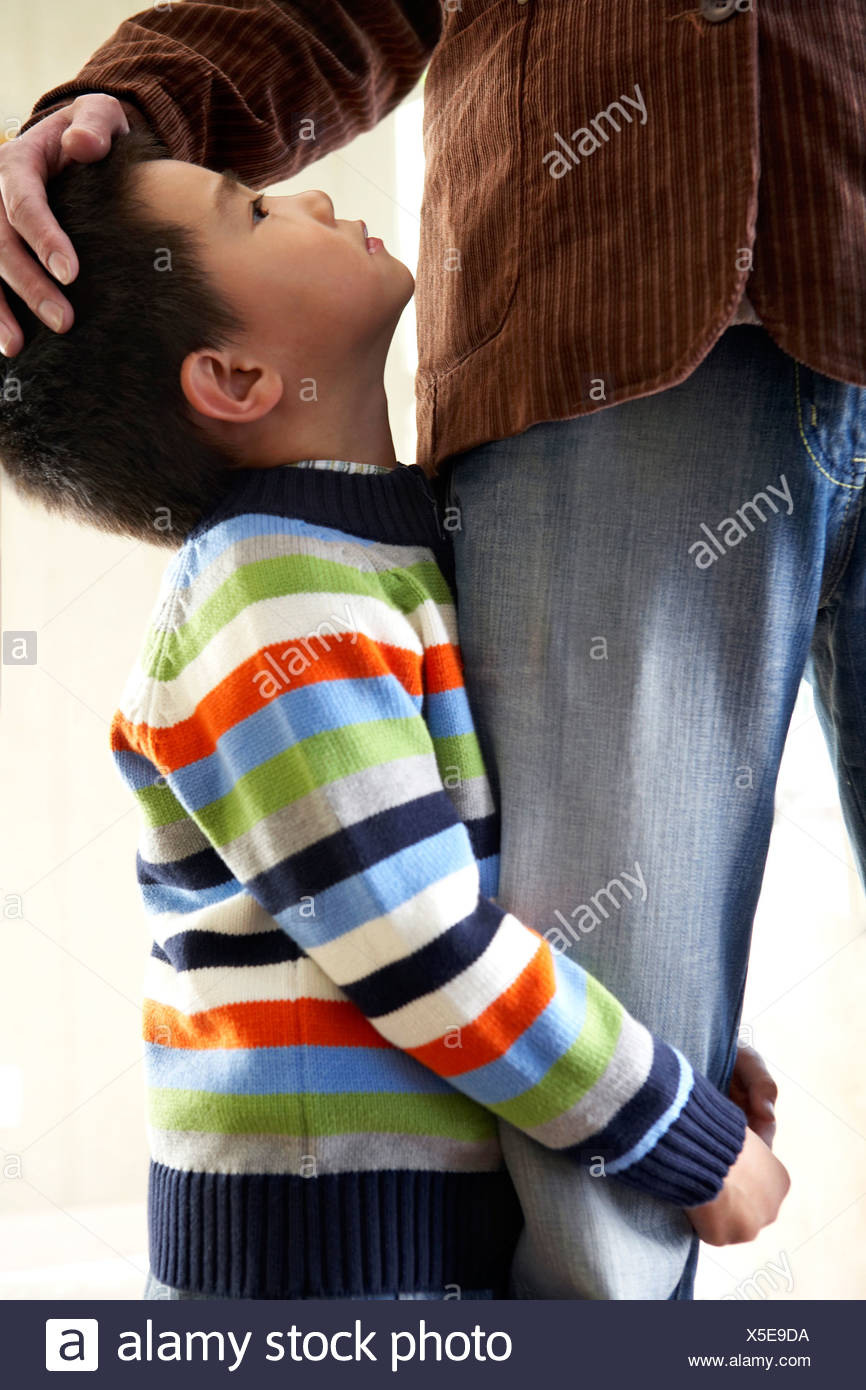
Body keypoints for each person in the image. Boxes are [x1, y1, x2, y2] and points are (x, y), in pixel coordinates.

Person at [2, 0, 861, 1300]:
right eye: (250, 211)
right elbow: (417, 935)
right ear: (231, 376)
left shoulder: (364, 558)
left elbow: (469, 884)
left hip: (408, 1244)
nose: (301, 201)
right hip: (330, 1279)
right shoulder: (272, 599)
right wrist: (682, 1136)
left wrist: (667, 1058)